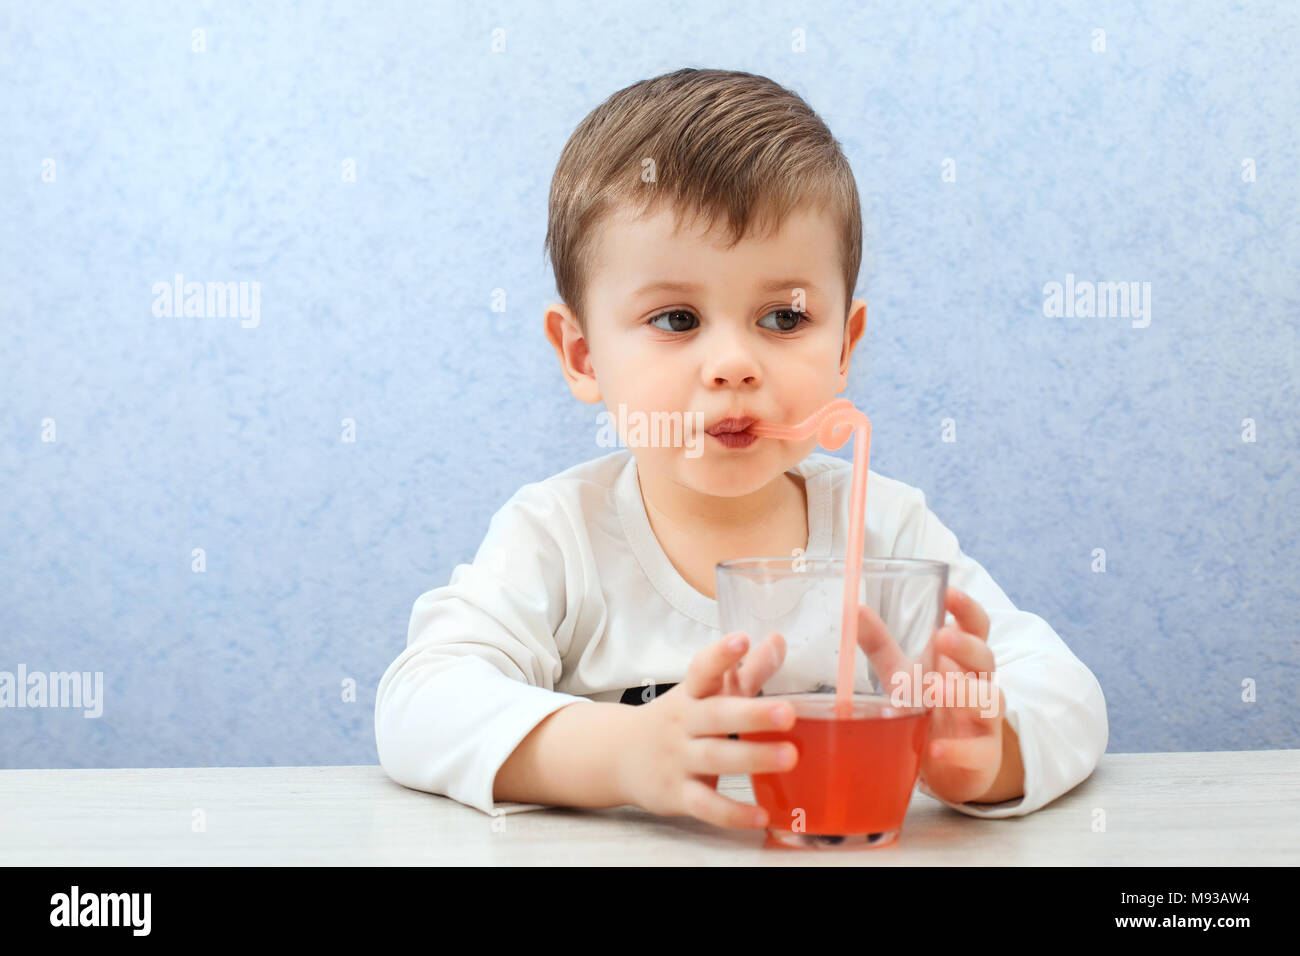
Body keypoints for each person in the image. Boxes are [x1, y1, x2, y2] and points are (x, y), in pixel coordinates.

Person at [375, 68, 1108, 832]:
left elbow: (1064, 689)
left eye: (784, 320)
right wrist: (624, 753)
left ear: (844, 346)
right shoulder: (558, 535)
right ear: (583, 355)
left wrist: (989, 759)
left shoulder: (885, 529)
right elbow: (421, 700)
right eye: (677, 319)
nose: (733, 364)